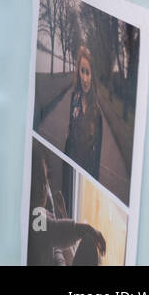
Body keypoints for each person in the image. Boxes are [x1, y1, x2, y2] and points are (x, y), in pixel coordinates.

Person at [62, 45, 103, 190]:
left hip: (85, 179)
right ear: (78, 72)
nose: (85, 78)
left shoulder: (97, 114)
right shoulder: (74, 99)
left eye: (88, 73)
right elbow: (69, 134)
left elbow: (96, 158)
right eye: (82, 71)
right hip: (70, 172)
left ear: (93, 75)